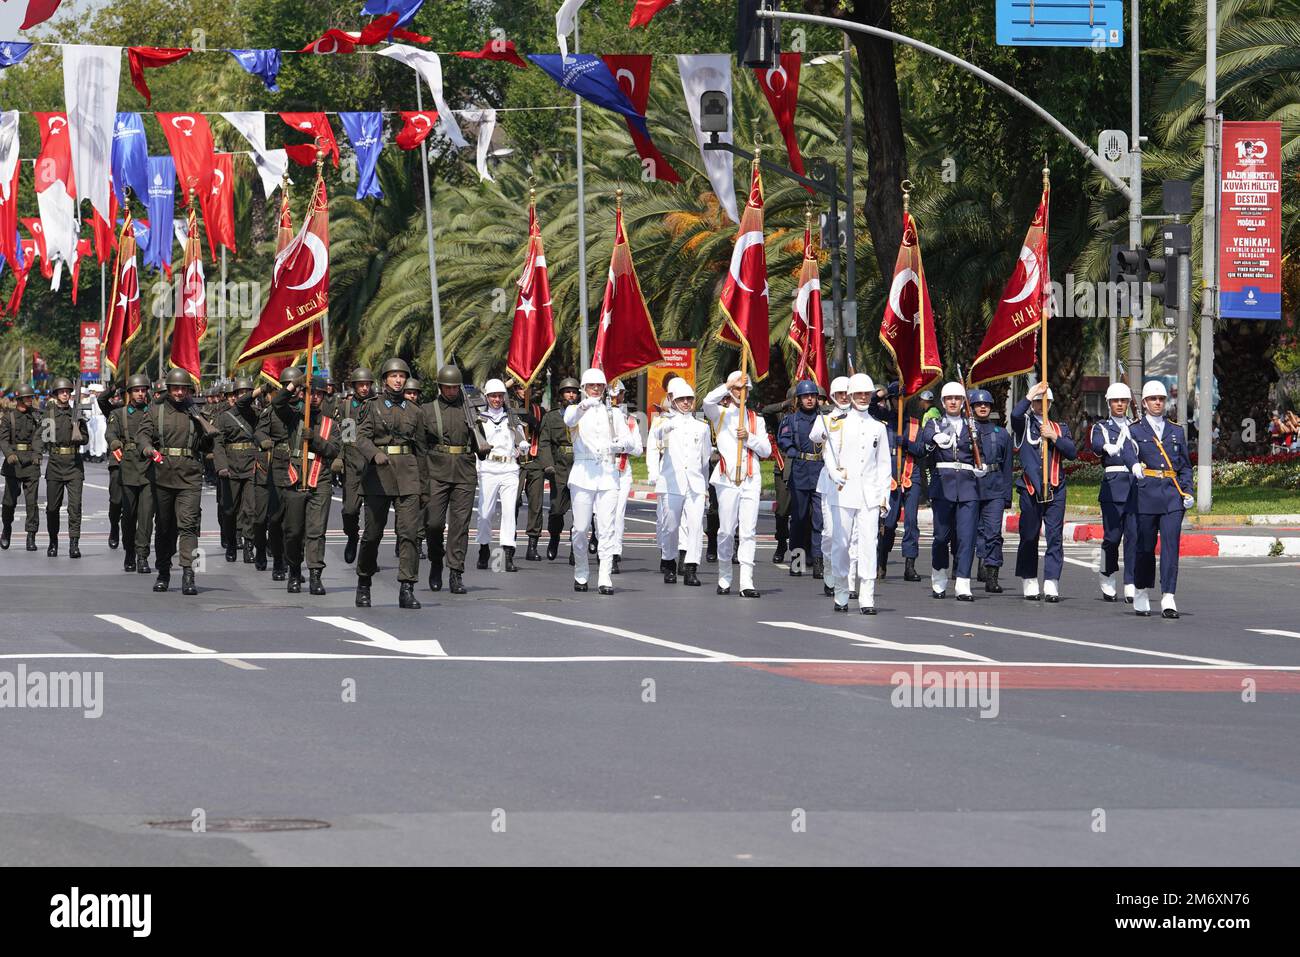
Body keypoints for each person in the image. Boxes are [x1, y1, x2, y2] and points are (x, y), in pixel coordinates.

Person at [256, 370, 339, 596]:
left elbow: (333, 450)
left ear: (324, 397)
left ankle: (314, 575)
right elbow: (278, 401)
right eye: (311, 393)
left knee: (316, 531)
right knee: (292, 531)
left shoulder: (330, 424)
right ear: (303, 395)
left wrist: (315, 440)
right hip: (295, 477)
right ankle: (293, 570)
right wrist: (295, 384)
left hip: (319, 479)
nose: (315, 398)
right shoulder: (292, 417)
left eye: (319, 394)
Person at [820, 373, 892, 614]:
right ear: (849, 396)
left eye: (866, 394)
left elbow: (884, 465)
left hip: (869, 495)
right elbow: (829, 453)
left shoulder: (878, 428)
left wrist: (884, 496)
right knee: (840, 544)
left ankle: (867, 597)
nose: (862, 397)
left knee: (869, 545)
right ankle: (841, 591)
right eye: (858, 393)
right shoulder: (838, 422)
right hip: (843, 492)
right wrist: (833, 471)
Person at [563, 369, 638, 594]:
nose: (596, 389)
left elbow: (631, 443)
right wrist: (585, 406)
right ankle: (581, 571)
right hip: (583, 473)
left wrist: (617, 446)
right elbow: (569, 420)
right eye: (591, 386)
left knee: (607, 529)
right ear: (583, 389)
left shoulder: (614, 413)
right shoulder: (575, 410)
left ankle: (604, 577)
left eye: (599, 386)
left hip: (607, 473)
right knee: (580, 528)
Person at [1124, 380, 1193, 619]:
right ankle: (1141, 590)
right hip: (1146, 493)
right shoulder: (1135, 429)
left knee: (1171, 547)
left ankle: (1168, 597)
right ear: (1144, 403)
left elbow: (1184, 465)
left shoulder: (1176, 430)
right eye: (1153, 399)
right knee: (1144, 546)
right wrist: (1134, 466)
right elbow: (1127, 451)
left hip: (1172, 496)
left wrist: (1188, 491)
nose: (1157, 402)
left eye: (1161, 399)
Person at [703, 371, 772, 598]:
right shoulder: (720, 414)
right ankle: (724, 576)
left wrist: (749, 438)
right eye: (737, 389)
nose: (741, 393)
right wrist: (728, 383)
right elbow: (706, 401)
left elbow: (767, 450)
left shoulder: (756, 419)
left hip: (751, 479)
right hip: (727, 479)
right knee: (725, 530)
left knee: (749, 531)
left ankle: (746, 582)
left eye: (744, 389)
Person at [150, 368, 215, 595]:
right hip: (163, 475)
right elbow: (142, 435)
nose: (179, 392)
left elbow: (208, 446)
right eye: (175, 388)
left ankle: (189, 573)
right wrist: (148, 449)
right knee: (164, 527)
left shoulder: (196, 411)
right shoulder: (156, 411)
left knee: (188, 526)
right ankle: (163, 572)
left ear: (188, 390)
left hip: (190, 476)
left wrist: (206, 431)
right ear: (168, 389)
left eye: (183, 388)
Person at [423, 363, 486, 594]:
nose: (451, 391)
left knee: (460, 526)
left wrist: (483, 444)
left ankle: (456, 572)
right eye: (447, 387)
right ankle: (436, 561)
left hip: (464, 471)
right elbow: (420, 444)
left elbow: (481, 443)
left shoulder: (469, 410)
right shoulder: (428, 410)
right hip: (436, 470)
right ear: (440, 387)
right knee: (433, 524)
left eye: (454, 387)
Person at [1010, 382, 1076, 601]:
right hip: (1031, 487)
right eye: (1038, 402)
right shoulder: (1025, 424)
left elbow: (1072, 452)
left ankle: (1051, 582)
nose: (1041, 405)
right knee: (1029, 535)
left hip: (1056, 487)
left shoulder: (1060, 427)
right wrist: (1030, 394)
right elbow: (1015, 415)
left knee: (1054, 537)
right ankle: (1029, 579)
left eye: (1044, 401)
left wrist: (1054, 437)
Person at [919, 381, 982, 600]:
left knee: (967, 537)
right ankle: (939, 576)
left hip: (968, 486)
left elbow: (981, 451)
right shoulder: (936, 423)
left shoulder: (972, 426)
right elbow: (925, 438)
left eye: (957, 398)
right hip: (943, 486)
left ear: (963, 402)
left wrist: (980, 467)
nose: (953, 402)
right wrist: (935, 438)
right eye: (949, 399)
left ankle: (963, 583)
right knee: (940, 537)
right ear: (943, 402)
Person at [652, 378, 711, 586]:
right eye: (681, 399)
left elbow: (705, 459)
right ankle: (669, 561)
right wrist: (668, 424)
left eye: (689, 399)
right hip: (671, 483)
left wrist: (703, 486)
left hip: (694, 485)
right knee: (670, 526)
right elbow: (656, 437)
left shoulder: (702, 427)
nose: (686, 402)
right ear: (672, 400)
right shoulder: (664, 424)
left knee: (695, 527)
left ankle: (691, 568)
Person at [104, 374, 158, 573]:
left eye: (143, 390)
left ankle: (142, 556)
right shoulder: (119, 414)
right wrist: (114, 442)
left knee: (145, 516)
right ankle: (129, 551)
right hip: (127, 468)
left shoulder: (153, 412)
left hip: (149, 468)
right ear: (129, 393)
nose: (141, 394)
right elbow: (110, 433)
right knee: (128, 516)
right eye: (136, 390)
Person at [473, 377, 528, 574]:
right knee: (485, 512)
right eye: (493, 396)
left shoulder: (511, 417)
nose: (497, 399)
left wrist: (522, 446)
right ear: (487, 397)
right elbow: (475, 444)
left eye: (499, 396)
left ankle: (508, 552)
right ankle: (484, 547)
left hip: (509, 469)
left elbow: (520, 441)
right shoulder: (479, 418)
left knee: (508, 513)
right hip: (488, 467)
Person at [1091, 382, 1139, 602]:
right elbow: (1095, 444)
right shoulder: (1101, 427)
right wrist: (1104, 447)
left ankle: (1130, 581)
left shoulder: (1137, 426)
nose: (1120, 404)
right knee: (1111, 538)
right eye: (1116, 401)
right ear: (1109, 403)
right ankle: (1107, 574)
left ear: (1129, 403)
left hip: (1135, 488)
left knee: (1134, 538)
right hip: (1112, 488)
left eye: (1124, 401)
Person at [777, 379, 825, 580]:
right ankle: (797, 561)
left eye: (813, 396)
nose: (810, 399)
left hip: (820, 470)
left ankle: (818, 562)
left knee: (819, 520)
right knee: (798, 517)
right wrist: (791, 450)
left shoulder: (824, 419)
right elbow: (783, 439)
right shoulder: (792, 420)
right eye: (806, 396)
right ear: (799, 399)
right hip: (800, 470)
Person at [877, 382, 925, 583]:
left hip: (910, 475)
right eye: (895, 399)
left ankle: (910, 565)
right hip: (889, 477)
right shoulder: (881, 423)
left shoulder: (915, 424)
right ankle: (882, 561)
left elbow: (922, 450)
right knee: (888, 523)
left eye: (902, 399)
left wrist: (906, 444)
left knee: (911, 522)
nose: (899, 403)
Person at [212, 377, 261, 564]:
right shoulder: (224, 417)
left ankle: (249, 545)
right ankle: (232, 542)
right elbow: (218, 443)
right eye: (240, 393)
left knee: (251, 509)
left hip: (251, 465)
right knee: (230, 510)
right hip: (231, 467)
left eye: (247, 392)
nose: (244, 396)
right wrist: (222, 466)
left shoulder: (256, 414)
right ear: (234, 396)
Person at [970, 389, 1014, 594]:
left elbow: (1007, 466)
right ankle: (969, 567)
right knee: (969, 532)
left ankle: (992, 574)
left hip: (995, 487)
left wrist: (1007, 495)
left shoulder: (1001, 434)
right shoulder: (966, 431)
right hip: (971, 487)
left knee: (994, 533)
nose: (983, 407)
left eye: (986, 404)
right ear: (971, 408)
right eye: (979, 405)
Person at [813, 376, 853, 597]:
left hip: (853, 482)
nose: (844, 397)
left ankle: (847, 579)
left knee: (852, 536)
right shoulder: (826, 419)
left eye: (847, 393)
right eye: (840, 394)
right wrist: (821, 432)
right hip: (830, 483)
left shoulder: (860, 419)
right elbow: (814, 436)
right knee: (829, 533)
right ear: (833, 397)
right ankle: (829, 569)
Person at [40, 377, 88, 558]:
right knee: (52, 507)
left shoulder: (77, 413)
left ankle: (74, 544)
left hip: (74, 464)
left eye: (68, 391)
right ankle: (53, 541)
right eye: (62, 392)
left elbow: (86, 438)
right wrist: (36, 456)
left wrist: (79, 435)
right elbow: (41, 438)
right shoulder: (49, 414)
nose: (65, 394)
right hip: (54, 463)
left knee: (75, 507)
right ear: (56, 394)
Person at [537, 376, 580, 562]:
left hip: (580, 464)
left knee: (580, 511)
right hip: (560, 467)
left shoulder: (584, 414)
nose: (571, 395)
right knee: (556, 509)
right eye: (567, 392)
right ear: (561, 395)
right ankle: (554, 537)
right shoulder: (551, 417)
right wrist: (548, 464)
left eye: (574, 392)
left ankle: (575, 548)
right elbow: (544, 443)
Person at [338, 367, 375, 565]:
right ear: (354, 386)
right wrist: (339, 458)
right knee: (350, 510)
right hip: (352, 463)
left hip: (373, 464)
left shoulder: (377, 405)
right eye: (360, 384)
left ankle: (369, 555)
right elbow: (345, 436)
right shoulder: (346, 407)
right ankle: (352, 536)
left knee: (373, 515)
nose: (364, 388)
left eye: (367, 384)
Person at [508, 380, 547, 561]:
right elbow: (490, 392)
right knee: (512, 502)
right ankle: (510, 543)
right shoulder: (507, 407)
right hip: (515, 462)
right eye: (519, 387)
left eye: (525, 386)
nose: (522, 391)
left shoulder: (539, 410)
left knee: (536, 505)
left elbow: (544, 434)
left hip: (534, 460)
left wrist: (533, 421)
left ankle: (532, 545)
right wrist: (511, 380)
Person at [0, 382, 42, 552]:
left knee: (32, 502)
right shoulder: (8, 417)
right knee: (9, 501)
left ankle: (31, 536)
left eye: (31, 397)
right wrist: (9, 454)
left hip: (31, 462)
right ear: (19, 399)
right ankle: (6, 528)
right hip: (13, 462)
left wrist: (37, 455)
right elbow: (3, 439)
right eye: (27, 397)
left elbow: (39, 438)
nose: (30, 400)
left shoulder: (37, 416)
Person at [607, 379, 643, 575]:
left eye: (617, 395)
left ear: (622, 395)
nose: (614, 399)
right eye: (611, 395)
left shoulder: (630, 420)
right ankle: (603, 545)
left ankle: (614, 552)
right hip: (602, 469)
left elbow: (637, 449)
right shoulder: (599, 416)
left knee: (618, 513)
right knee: (601, 514)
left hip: (621, 469)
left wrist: (621, 445)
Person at [759, 386, 794, 564]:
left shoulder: (813, 416)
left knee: (804, 513)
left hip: (803, 468)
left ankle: (803, 551)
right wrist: (784, 404)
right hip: (783, 468)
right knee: (782, 511)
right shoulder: (781, 417)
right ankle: (781, 542)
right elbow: (765, 411)